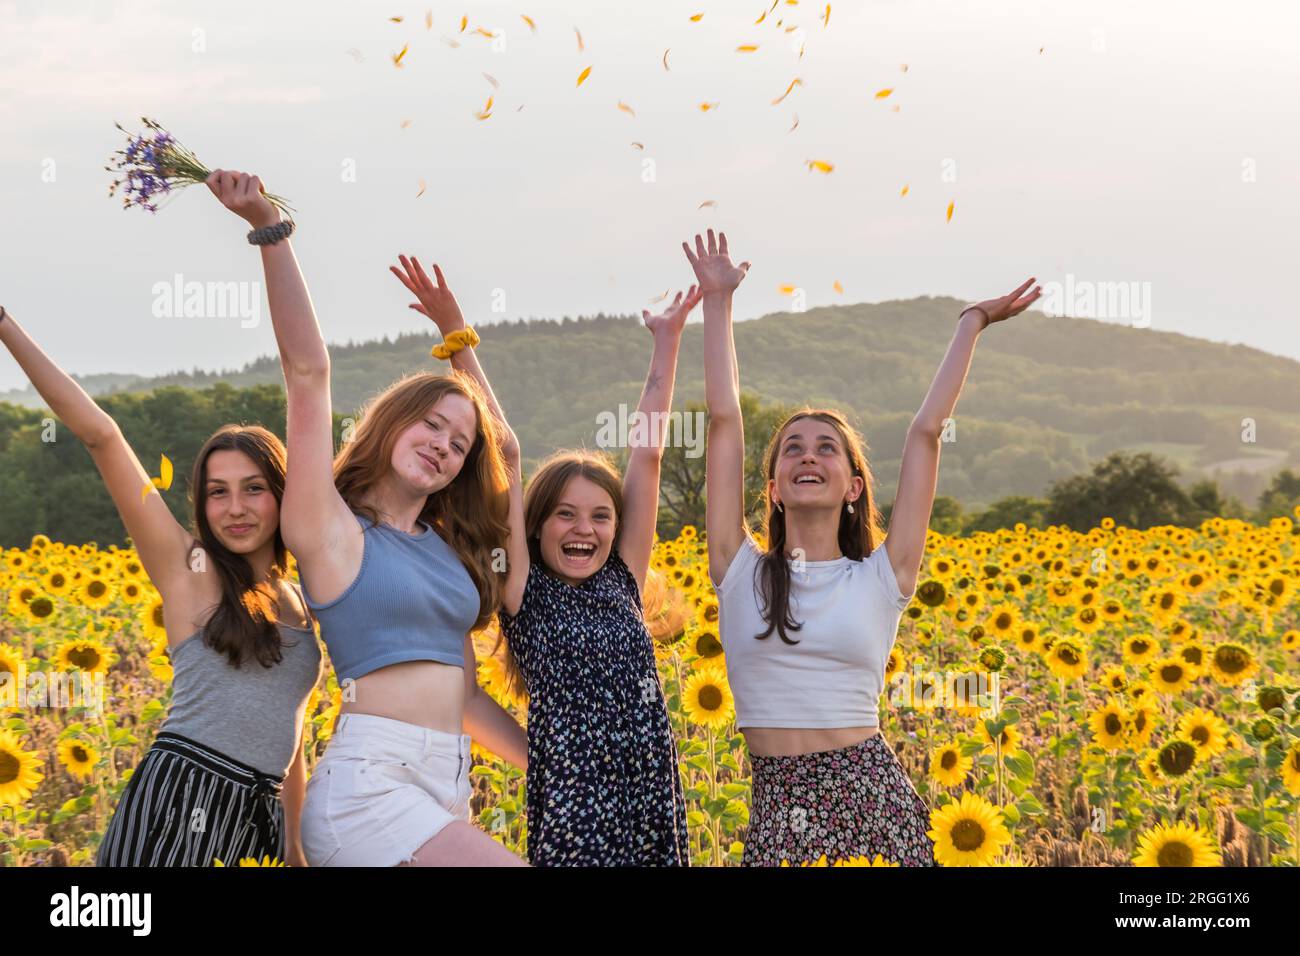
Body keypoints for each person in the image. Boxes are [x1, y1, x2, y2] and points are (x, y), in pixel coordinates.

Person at [685, 228, 1041, 865]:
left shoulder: (883, 577)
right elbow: (724, 420)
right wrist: (718, 302)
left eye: (826, 447)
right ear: (772, 489)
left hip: (870, 802)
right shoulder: (737, 571)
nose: (807, 455)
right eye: (791, 447)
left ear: (853, 486)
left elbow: (926, 433)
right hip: (775, 814)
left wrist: (973, 321)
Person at [205, 170, 528, 865]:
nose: (444, 445)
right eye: (431, 425)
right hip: (370, 787)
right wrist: (269, 230)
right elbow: (307, 373)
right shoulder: (332, 530)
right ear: (390, 425)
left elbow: (465, 695)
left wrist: (454, 334)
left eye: (457, 443)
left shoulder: (447, 552)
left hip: (447, 783)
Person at [0, 305, 320, 867]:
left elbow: (288, 734)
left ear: (282, 493)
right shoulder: (188, 566)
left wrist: (293, 844)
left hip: (259, 813)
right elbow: (101, 435)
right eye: (217, 492)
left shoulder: (299, 598)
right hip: (183, 794)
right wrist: (4, 324)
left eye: (253, 489)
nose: (235, 508)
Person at [492, 286, 699, 865]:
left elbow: (648, 453)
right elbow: (506, 452)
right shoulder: (523, 592)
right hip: (573, 802)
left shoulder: (622, 580)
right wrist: (459, 335)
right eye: (565, 513)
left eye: (600, 515)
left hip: (650, 791)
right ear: (536, 526)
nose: (584, 528)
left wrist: (667, 339)